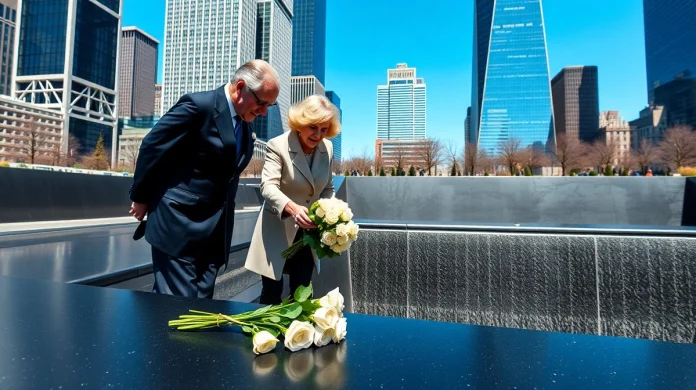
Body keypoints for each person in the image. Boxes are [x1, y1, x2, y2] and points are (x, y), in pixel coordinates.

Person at [128, 59, 280, 299]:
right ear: (240, 87)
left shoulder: (244, 124)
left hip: (213, 235)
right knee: (177, 310)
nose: (263, 112)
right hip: (178, 225)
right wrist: (141, 197)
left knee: (200, 310)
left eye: (269, 107)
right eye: (262, 103)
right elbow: (152, 147)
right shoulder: (199, 106)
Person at [244, 95, 341, 304]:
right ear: (301, 123)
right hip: (277, 229)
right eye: (313, 127)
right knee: (271, 292)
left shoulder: (328, 149)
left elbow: (328, 188)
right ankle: (266, 335)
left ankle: (298, 335)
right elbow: (268, 186)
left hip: (308, 235)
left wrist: (327, 213)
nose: (318, 135)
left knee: (302, 293)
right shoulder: (277, 145)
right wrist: (293, 208)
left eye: (324, 129)